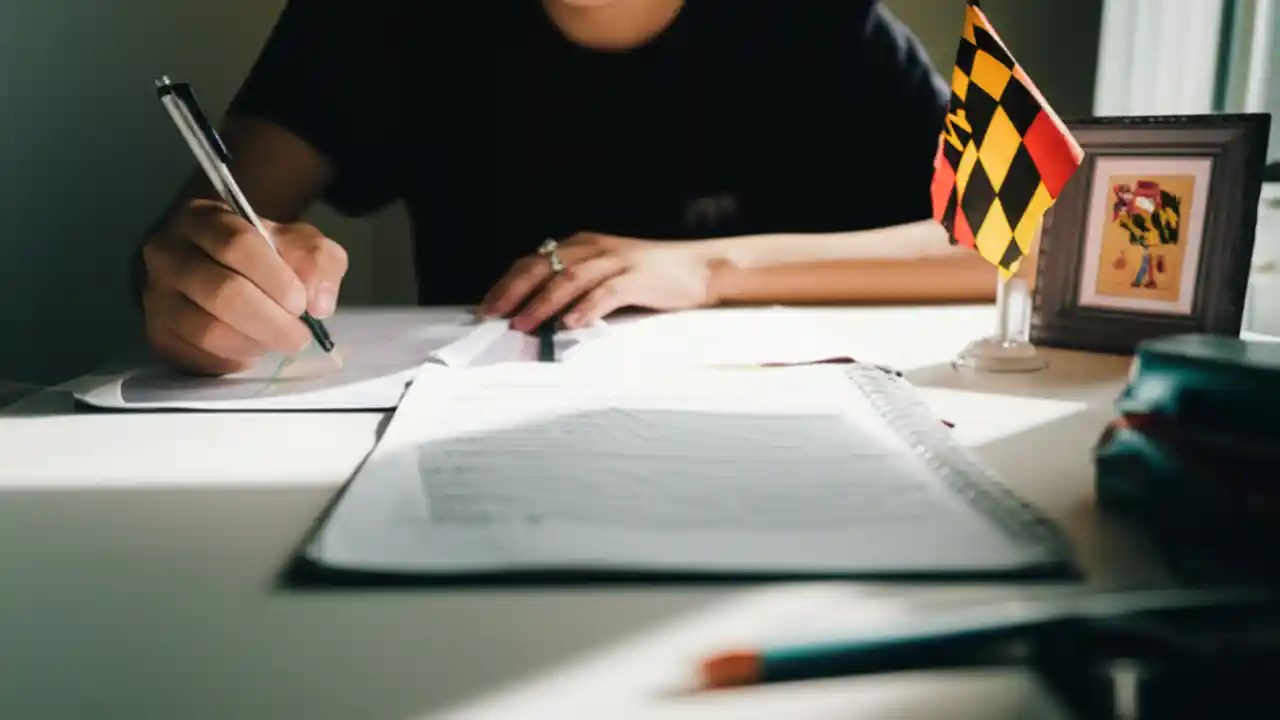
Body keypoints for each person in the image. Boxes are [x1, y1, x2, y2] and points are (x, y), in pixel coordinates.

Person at [137, 0, 995, 375]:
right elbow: (197, 238)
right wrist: (204, 289)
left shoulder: (815, 18)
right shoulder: (382, 13)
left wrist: (709, 271)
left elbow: (1014, 240)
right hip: (467, 462)